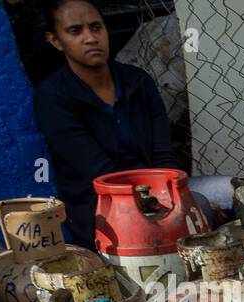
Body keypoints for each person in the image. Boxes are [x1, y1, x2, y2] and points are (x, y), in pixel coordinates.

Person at [33, 0, 183, 248]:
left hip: (160, 191)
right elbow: (100, 173)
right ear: (55, 40)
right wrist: (154, 203)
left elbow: (163, 152)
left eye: (96, 27)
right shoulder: (53, 97)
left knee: (235, 192)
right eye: (75, 31)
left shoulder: (138, 82)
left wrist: (172, 195)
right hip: (103, 206)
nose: (90, 38)